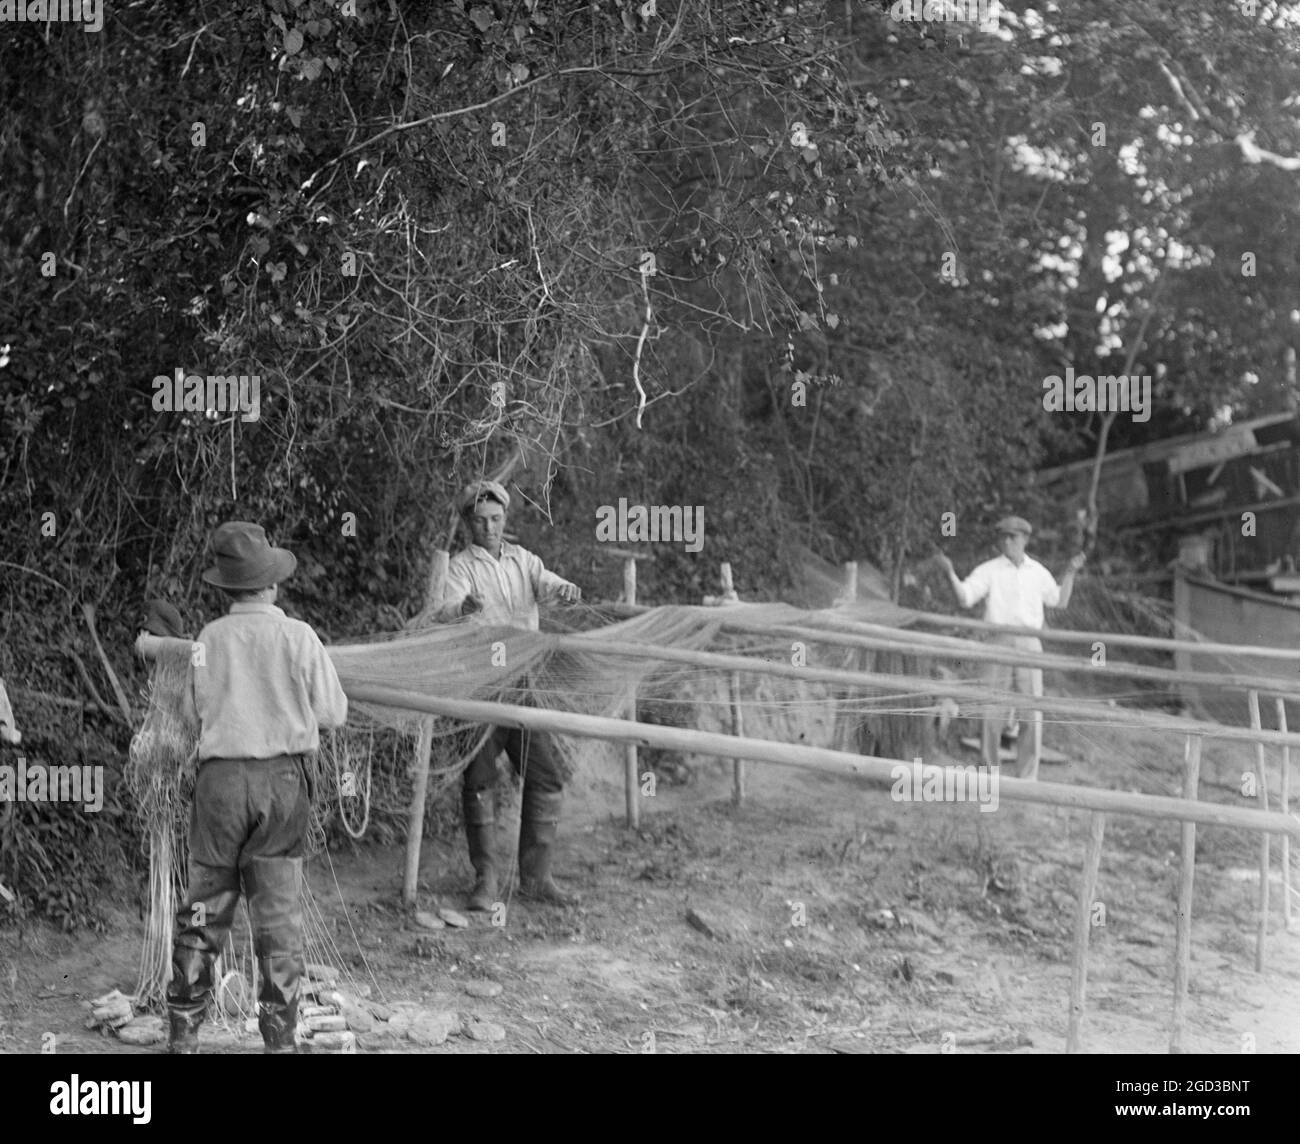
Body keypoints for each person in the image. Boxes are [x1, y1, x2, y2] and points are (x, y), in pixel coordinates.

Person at [167, 522, 347, 1054]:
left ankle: (182, 1033)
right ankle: (280, 1041)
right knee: (277, 916)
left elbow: (188, 715)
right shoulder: (298, 637)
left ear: (225, 588)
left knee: (203, 909)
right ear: (270, 584)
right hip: (281, 787)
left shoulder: (205, 641)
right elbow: (333, 711)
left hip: (219, 786)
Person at [432, 479, 583, 909]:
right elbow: (444, 607)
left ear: (505, 519)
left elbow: (548, 584)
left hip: (522, 685)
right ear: (468, 524)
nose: (489, 528)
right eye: (480, 522)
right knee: (479, 779)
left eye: (496, 520)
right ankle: (487, 878)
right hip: (480, 686)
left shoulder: (524, 561)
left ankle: (536, 877)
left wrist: (563, 590)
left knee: (546, 775)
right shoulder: (462, 567)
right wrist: (462, 609)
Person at [936, 516, 1084, 781]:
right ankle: (988, 774)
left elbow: (1059, 600)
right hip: (998, 642)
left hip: (1029, 644)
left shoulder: (1037, 571)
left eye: (1013, 537)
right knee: (992, 708)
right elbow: (966, 597)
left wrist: (1071, 572)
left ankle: (1028, 776)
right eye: (1003, 537)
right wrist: (949, 572)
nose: (1007, 542)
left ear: (1025, 540)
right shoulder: (989, 570)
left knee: (1031, 710)